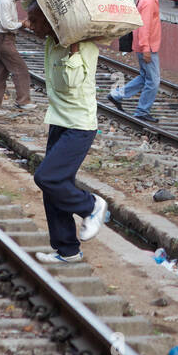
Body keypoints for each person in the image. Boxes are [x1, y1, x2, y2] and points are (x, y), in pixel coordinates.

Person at [33, 36, 110, 266]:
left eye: (35, 20)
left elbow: (72, 80)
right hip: (59, 121)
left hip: (79, 126)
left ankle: (91, 206)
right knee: (53, 188)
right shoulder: (51, 42)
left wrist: (74, 47)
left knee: (46, 178)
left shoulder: (85, 47)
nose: (30, 24)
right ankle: (67, 250)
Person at [109, 0, 162, 122]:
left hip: (145, 45)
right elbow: (144, 27)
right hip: (147, 47)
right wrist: (146, 48)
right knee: (154, 81)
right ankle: (142, 110)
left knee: (145, 78)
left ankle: (117, 94)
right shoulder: (149, 2)